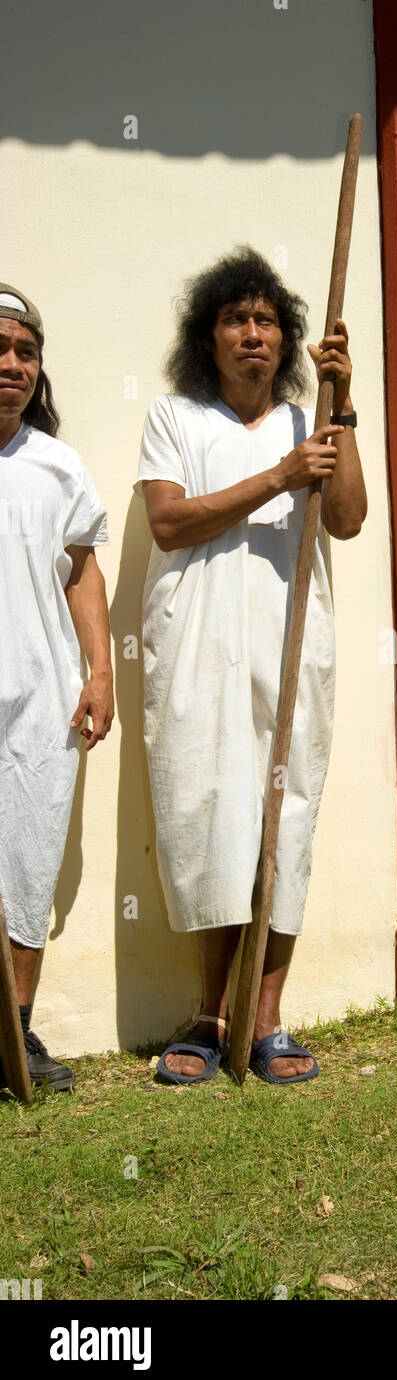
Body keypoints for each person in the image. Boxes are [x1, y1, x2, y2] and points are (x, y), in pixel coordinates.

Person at [136, 247, 366, 1085]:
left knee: (283, 819)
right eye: (235, 319)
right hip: (195, 647)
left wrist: (340, 409)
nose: (252, 334)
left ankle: (265, 1022)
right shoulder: (175, 419)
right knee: (204, 817)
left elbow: (346, 521)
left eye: (266, 320)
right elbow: (167, 523)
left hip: (290, 645)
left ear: (287, 337)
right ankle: (209, 1014)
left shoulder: (314, 424)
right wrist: (276, 478)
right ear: (210, 336)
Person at [0, 283, 113, 1092]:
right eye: (0, 348)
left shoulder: (56, 465)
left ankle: (13, 1039)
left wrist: (101, 671)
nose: (11, 364)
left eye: (25, 351)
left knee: (29, 865)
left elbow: (82, 571)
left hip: (41, 703)